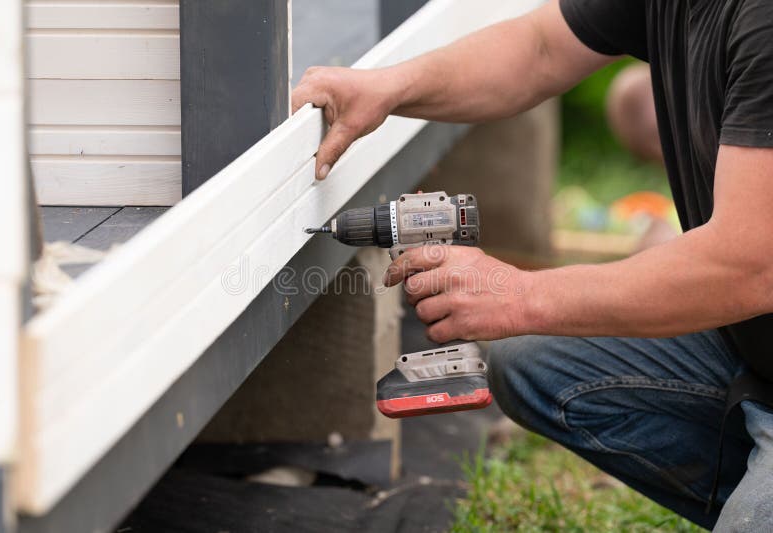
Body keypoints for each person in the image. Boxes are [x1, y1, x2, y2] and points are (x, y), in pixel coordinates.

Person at [291, 1, 773, 530]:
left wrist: (518, 294)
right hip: (757, 355)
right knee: (536, 362)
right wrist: (388, 86)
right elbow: (541, 47)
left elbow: (749, 267)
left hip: (752, 297)